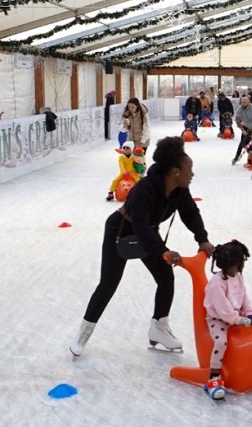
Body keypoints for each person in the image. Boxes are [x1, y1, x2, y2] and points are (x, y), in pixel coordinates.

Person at [70, 136, 215, 357]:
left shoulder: (180, 190)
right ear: (175, 171)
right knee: (108, 283)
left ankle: (159, 327)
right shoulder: (145, 189)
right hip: (120, 231)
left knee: (166, 278)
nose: (192, 173)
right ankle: (84, 332)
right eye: (189, 169)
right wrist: (163, 251)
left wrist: (202, 238)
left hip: (148, 232)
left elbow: (190, 213)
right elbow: (140, 227)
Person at [203, 240, 252, 400]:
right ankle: (213, 378)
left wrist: (250, 312)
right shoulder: (217, 282)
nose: (238, 267)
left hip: (237, 316)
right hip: (218, 318)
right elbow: (222, 308)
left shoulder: (238, 276)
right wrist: (238, 319)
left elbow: (244, 295)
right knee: (221, 342)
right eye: (236, 264)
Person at [232, 96, 252, 165]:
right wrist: (242, 130)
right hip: (246, 127)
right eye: (242, 102)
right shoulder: (240, 108)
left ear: (249, 102)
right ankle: (237, 156)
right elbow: (238, 121)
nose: (243, 104)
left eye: (244, 102)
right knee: (242, 142)